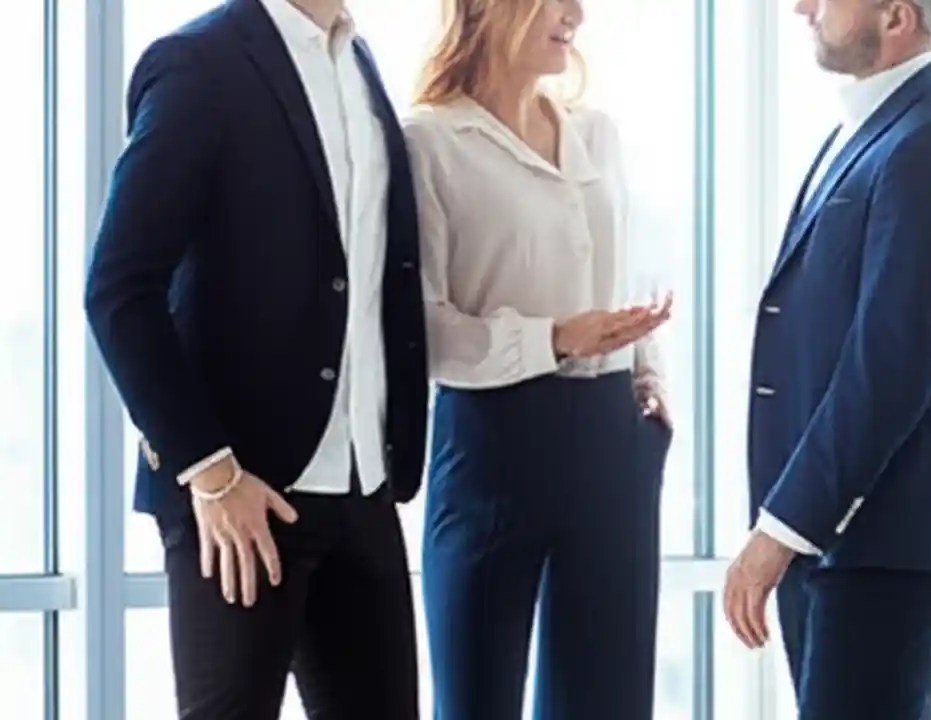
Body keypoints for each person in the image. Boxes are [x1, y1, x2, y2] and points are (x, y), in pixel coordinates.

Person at [84, 0, 428, 716]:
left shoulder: (359, 63)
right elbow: (119, 289)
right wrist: (211, 473)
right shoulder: (198, 63)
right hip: (242, 498)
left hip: (363, 488)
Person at [723, 0, 931, 718]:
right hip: (840, 548)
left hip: (884, 547)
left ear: (895, 15)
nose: (802, 6)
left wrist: (781, 528)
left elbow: (891, 367)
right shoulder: (875, 130)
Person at [401, 1, 673, 718]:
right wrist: (552, 338)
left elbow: (623, 276)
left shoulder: (598, 134)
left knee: (608, 705)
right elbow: (422, 329)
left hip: (612, 442)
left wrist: (650, 376)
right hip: (494, 444)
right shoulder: (429, 140)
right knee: (476, 701)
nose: (577, 15)